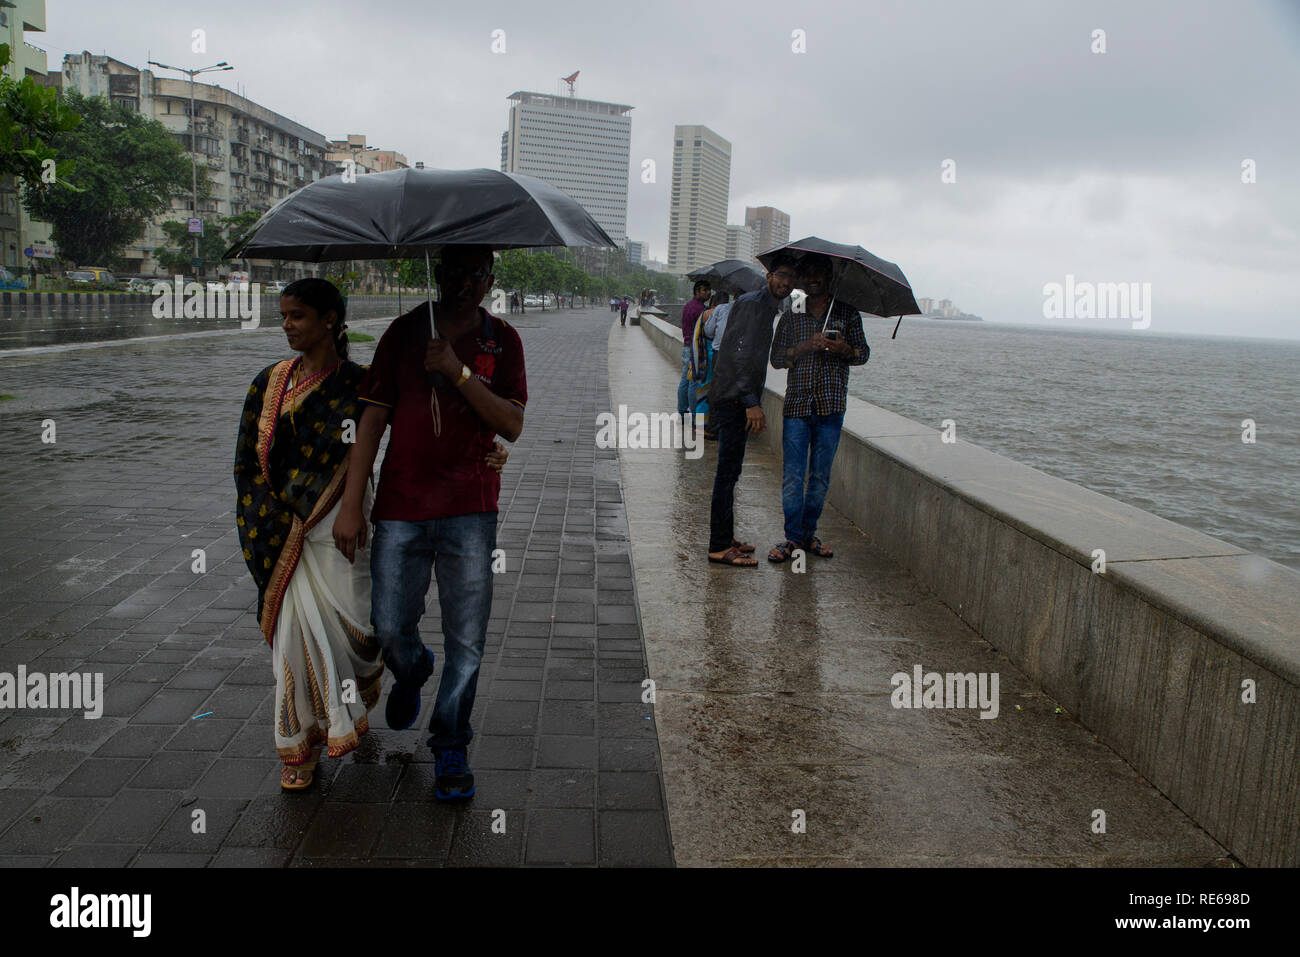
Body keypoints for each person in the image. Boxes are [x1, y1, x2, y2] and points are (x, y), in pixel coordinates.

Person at [234, 278, 509, 791]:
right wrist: (274, 520)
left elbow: (481, 424)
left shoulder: (358, 382)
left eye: (298, 316)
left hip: (361, 522)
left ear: (330, 320)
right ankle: (301, 742)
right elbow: (249, 462)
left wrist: (485, 437)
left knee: (374, 633)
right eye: (284, 316)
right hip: (290, 530)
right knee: (317, 635)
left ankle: (448, 743)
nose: (288, 326)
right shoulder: (268, 384)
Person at [333, 245, 526, 802]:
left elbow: (511, 424)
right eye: (453, 273)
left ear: (489, 280)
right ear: (438, 275)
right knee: (390, 626)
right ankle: (413, 670)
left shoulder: (502, 340)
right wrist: (352, 503)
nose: (464, 284)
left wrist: (458, 372)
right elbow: (372, 418)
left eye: (476, 275)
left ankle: (450, 742)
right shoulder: (403, 332)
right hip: (401, 506)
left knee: (467, 639)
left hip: (471, 506)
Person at [767, 254, 869, 562]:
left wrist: (844, 349)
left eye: (818, 274)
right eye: (807, 274)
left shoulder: (847, 314)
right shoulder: (791, 314)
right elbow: (776, 358)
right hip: (798, 405)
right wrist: (803, 347)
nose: (812, 279)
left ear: (829, 277)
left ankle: (806, 534)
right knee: (793, 476)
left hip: (831, 408)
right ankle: (792, 538)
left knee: (820, 477)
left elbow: (863, 353)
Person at [705, 256, 797, 566]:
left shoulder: (766, 304)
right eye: (782, 275)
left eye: (791, 280)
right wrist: (751, 403)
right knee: (726, 475)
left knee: (732, 472)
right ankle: (718, 546)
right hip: (734, 399)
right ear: (770, 275)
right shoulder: (754, 304)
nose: (786, 283)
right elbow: (738, 355)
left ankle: (725, 535)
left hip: (736, 397)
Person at [692, 291, 730, 439]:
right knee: (708, 392)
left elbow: (706, 332)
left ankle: (699, 424)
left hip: (703, 357)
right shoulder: (724, 312)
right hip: (712, 357)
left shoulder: (706, 313)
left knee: (703, 392)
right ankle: (702, 426)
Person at [678, 280, 711, 421]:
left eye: (709, 290)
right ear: (697, 291)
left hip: (687, 346)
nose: (708, 293)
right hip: (694, 348)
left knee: (685, 380)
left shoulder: (689, 305)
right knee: (694, 382)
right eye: (705, 290)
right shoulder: (699, 309)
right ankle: (694, 415)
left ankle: (682, 409)